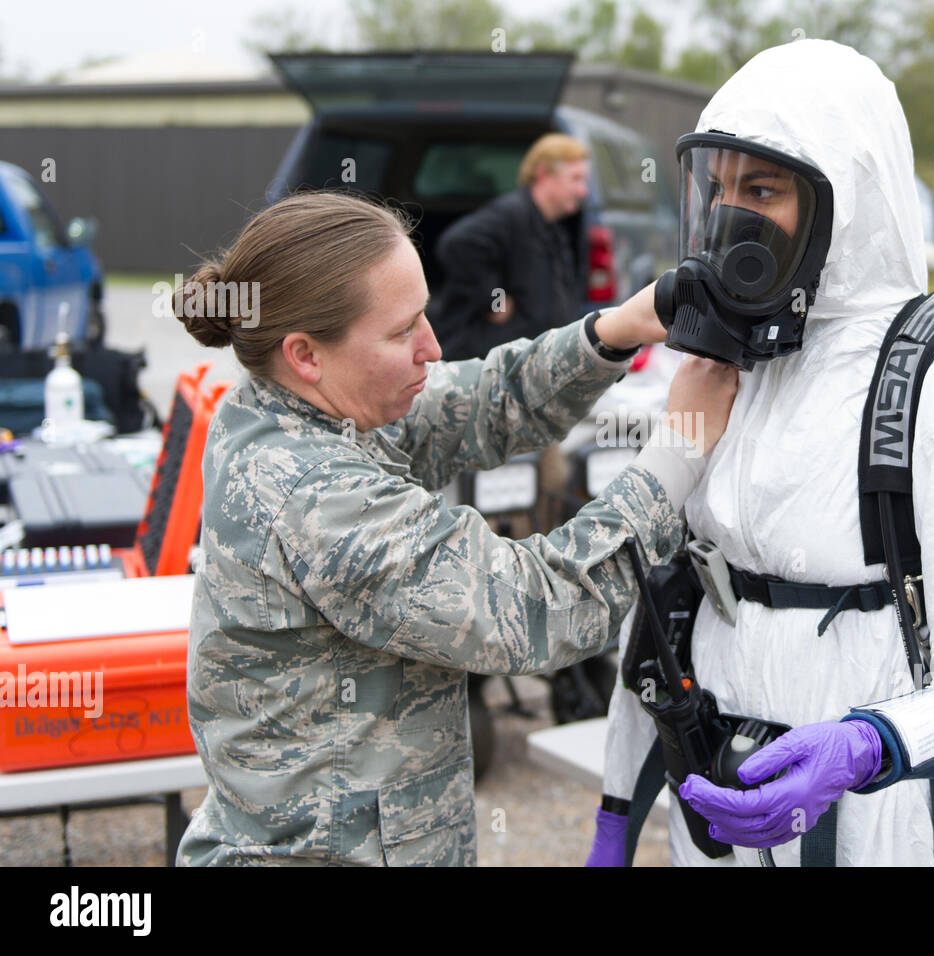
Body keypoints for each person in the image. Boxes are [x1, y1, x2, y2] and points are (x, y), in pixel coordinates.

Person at [587, 40, 934, 866]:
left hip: (893, 828)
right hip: (720, 808)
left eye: (764, 189)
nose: (731, 217)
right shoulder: (725, 366)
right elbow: (668, 611)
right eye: (719, 189)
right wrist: (614, 817)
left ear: (847, 198)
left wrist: (869, 744)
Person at [172, 190, 738, 866]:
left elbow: (482, 402)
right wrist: (681, 448)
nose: (431, 346)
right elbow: (533, 609)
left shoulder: (298, 408)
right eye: (401, 330)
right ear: (306, 354)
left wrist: (616, 329)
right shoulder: (314, 494)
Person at [433, 133, 589, 361]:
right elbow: (458, 244)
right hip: (486, 368)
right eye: (575, 179)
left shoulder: (551, 227)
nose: (582, 190)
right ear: (543, 173)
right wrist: (494, 300)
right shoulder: (510, 215)